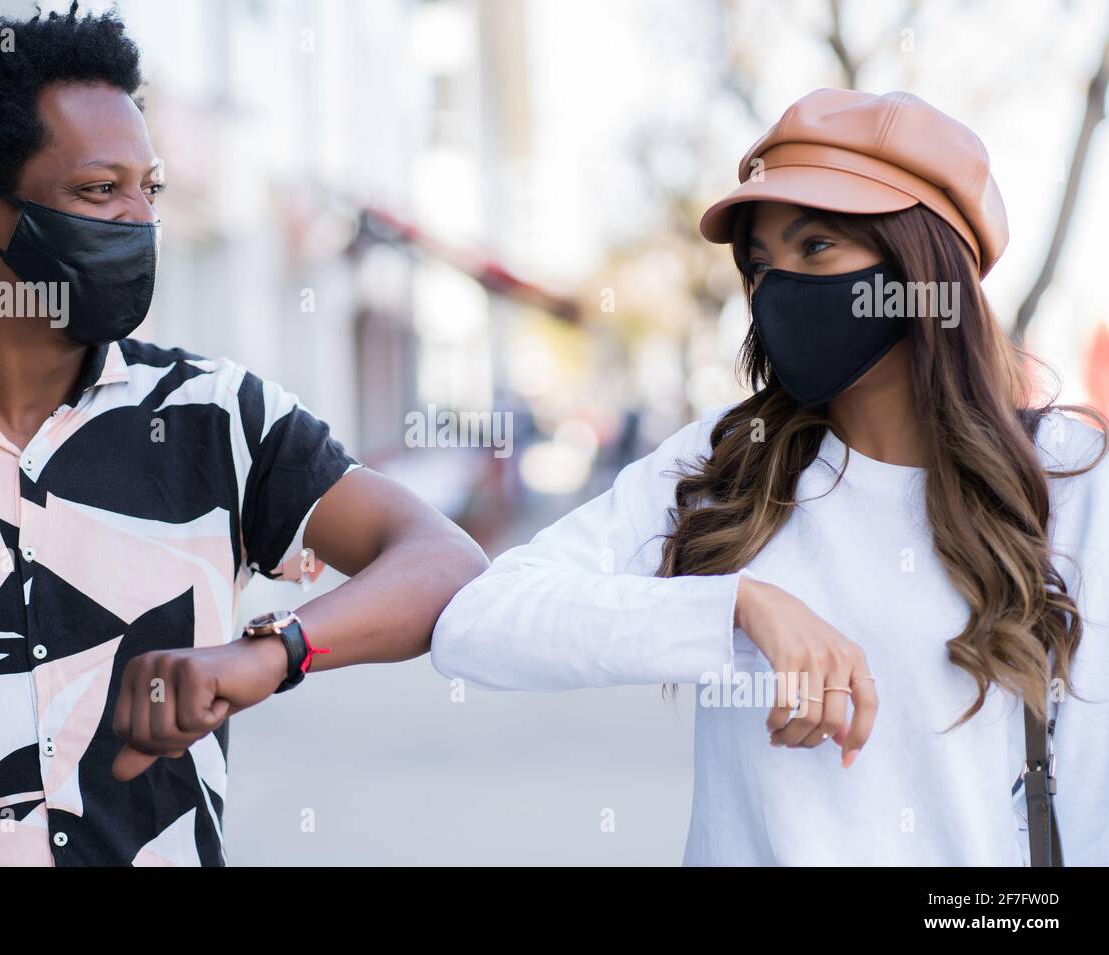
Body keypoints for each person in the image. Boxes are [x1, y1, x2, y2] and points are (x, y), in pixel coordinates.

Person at [0, 4, 487, 866]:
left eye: (149, 189)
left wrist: (272, 653)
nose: (140, 219)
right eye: (101, 190)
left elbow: (444, 560)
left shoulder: (217, 418)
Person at [431, 88, 1109, 866]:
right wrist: (735, 607)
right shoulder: (724, 464)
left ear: (923, 263)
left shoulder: (1066, 482)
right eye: (760, 264)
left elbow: (1091, 814)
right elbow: (475, 623)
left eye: (816, 247)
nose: (777, 288)